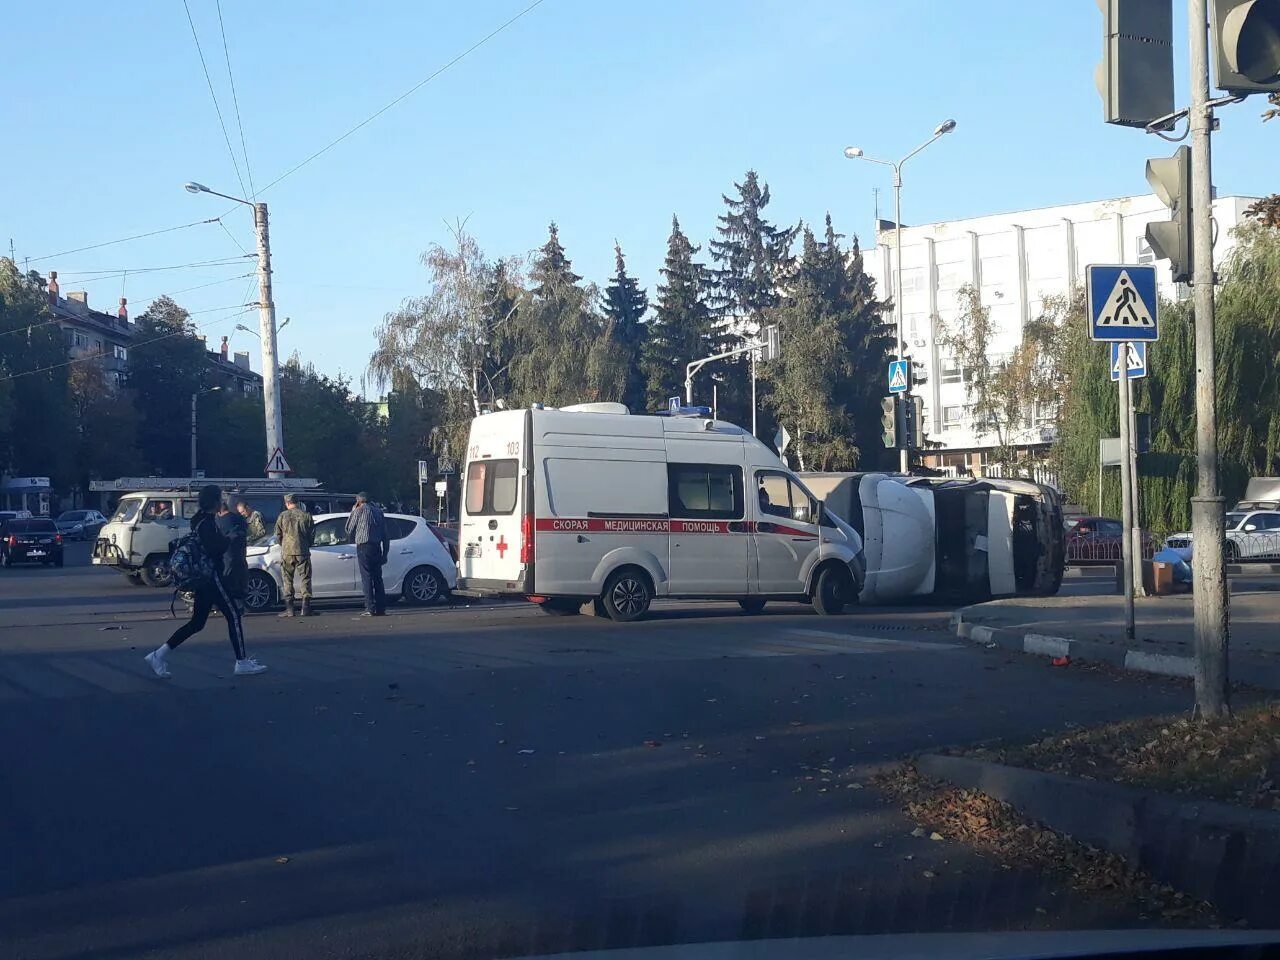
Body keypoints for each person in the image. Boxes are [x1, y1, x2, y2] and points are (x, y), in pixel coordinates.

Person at [144, 485, 266, 678]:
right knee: (233, 615)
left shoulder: (198, 520)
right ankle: (241, 662)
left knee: (197, 623)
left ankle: (159, 655)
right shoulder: (208, 523)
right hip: (212, 578)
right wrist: (230, 539)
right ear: (216, 501)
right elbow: (215, 548)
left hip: (203, 579)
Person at [347, 491, 390, 617]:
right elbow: (385, 535)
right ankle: (381, 608)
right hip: (377, 547)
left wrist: (353, 511)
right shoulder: (378, 512)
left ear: (359, 501)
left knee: (366, 578)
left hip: (364, 547)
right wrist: (385, 553)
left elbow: (349, 528)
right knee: (378, 578)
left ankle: (370, 608)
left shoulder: (358, 510)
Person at [274, 494, 315, 617]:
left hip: (287, 552)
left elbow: (277, 534)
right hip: (302, 551)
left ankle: (290, 609)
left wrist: (283, 544)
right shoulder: (306, 515)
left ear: (287, 503)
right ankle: (305, 608)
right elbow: (312, 534)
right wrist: (307, 543)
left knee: (287, 580)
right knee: (305, 578)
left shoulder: (282, 516)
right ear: (298, 502)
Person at [216, 499, 249, 615]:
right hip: (239, 555)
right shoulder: (237, 518)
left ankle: (229, 606)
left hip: (226, 556)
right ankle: (239, 606)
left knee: (227, 580)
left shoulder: (217, 521)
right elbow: (245, 531)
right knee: (239, 581)